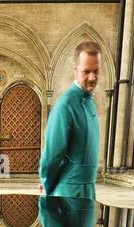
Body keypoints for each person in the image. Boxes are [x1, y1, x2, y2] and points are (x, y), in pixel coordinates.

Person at [39, 41, 101, 200]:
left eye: (96, 71)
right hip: (68, 192)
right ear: (75, 70)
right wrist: (46, 183)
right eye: (86, 71)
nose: (92, 77)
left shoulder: (89, 103)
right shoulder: (65, 105)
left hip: (87, 190)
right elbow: (52, 154)